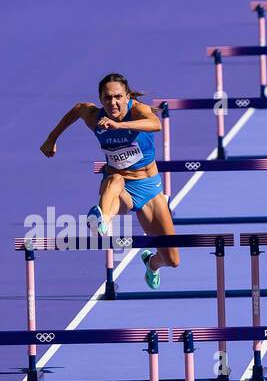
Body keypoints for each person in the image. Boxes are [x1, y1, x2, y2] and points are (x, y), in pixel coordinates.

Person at [41, 74, 179, 289]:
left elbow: (155, 124)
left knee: (172, 260)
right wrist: (52, 138)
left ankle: (152, 263)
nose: (112, 102)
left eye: (117, 97)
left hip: (149, 188)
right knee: (114, 178)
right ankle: (101, 220)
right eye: (107, 98)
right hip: (119, 188)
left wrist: (118, 125)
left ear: (127, 97)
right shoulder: (95, 117)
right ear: (100, 98)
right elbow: (77, 109)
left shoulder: (138, 110)